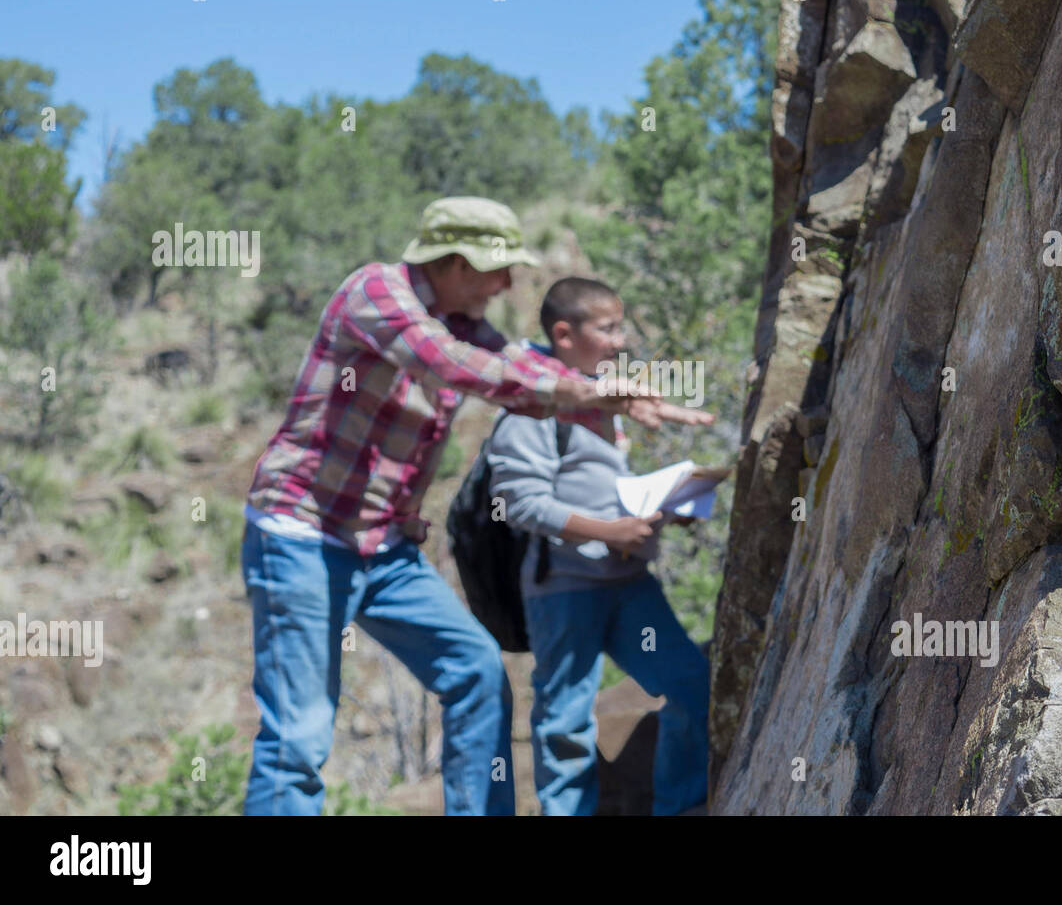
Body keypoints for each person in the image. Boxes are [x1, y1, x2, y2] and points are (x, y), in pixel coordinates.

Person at [239, 197, 710, 815]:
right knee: (299, 734)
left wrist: (608, 396)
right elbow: (460, 368)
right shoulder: (377, 293)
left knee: (477, 672)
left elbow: (516, 363)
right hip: (300, 535)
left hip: (383, 551)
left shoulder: (462, 321)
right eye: (499, 269)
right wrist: (587, 391)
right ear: (458, 262)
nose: (509, 284)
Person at [486, 277, 712, 815]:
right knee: (564, 717)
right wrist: (608, 532)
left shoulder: (604, 395)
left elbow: (600, 484)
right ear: (565, 333)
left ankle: (682, 806)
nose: (619, 338)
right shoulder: (530, 407)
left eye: (620, 325)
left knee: (690, 685)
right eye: (607, 327)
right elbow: (517, 501)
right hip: (564, 590)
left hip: (628, 586)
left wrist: (660, 511)